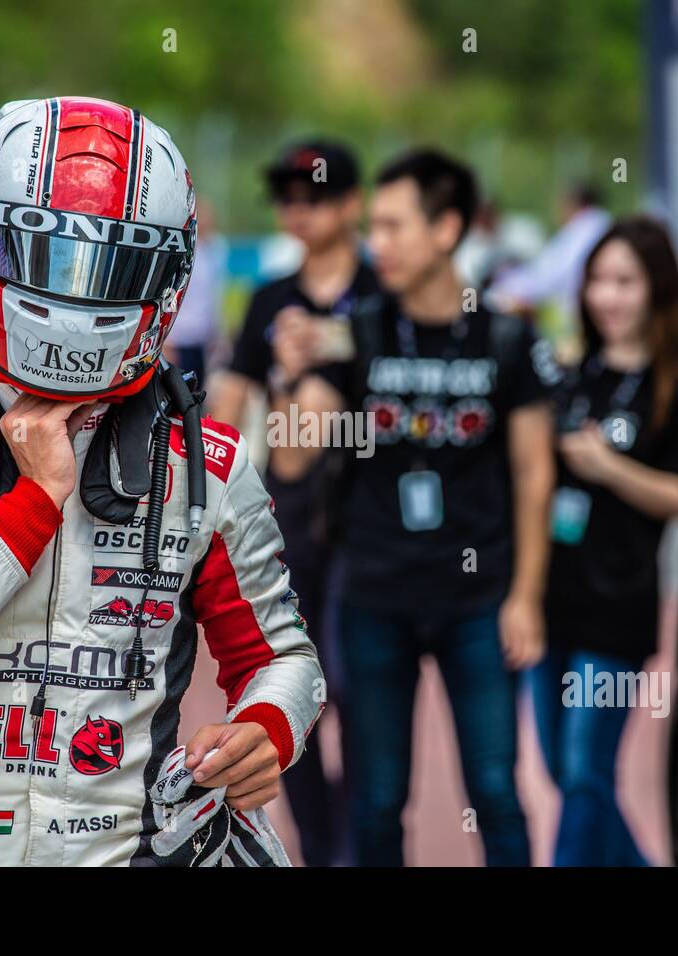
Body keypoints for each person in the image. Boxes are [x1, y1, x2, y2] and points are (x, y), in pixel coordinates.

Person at [0, 96, 323, 866]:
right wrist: (34, 502)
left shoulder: (206, 465)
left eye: (115, 265)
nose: (78, 292)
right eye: (51, 256)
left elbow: (281, 660)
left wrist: (267, 730)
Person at [281, 149, 553, 866]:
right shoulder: (359, 331)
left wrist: (525, 596)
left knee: (495, 789)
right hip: (373, 594)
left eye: (396, 226)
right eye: (375, 226)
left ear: (448, 229)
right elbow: (293, 454)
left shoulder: (507, 339)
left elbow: (533, 473)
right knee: (375, 799)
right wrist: (295, 375)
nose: (380, 243)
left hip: (480, 599)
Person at [210, 139, 378, 866]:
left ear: (350, 205)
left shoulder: (382, 289)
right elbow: (228, 402)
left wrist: (332, 349)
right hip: (291, 519)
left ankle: (360, 843)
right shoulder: (273, 297)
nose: (296, 212)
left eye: (312, 197)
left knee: (367, 700)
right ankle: (322, 846)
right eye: (285, 199)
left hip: (376, 525)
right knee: (298, 688)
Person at [533, 216, 678, 866]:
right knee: (565, 772)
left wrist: (610, 468)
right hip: (549, 601)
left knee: (586, 772)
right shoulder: (569, 374)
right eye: (598, 280)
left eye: (625, 281)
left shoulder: (676, 388)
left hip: (618, 610)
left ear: (656, 290)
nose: (608, 296)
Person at [487, 181, 611, 332]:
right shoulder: (601, 224)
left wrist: (507, 286)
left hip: (580, 316)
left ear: (570, 203)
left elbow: (550, 276)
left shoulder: (583, 229)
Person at [163, 196, 225, 385]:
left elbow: (213, 297)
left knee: (198, 392)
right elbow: (169, 294)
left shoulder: (214, 250)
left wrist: (217, 334)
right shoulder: (179, 252)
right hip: (179, 340)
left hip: (201, 340)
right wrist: (166, 338)